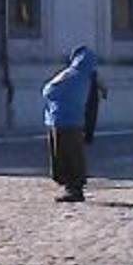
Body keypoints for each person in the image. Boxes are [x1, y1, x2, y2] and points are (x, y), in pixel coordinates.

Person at [43, 46, 98, 203]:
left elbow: (48, 90)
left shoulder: (70, 74)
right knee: (75, 156)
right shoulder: (89, 78)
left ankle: (72, 189)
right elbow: (92, 106)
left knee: (63, 155)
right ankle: (75, 188)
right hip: (75, 121)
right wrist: (89, 131)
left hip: (61, 119)